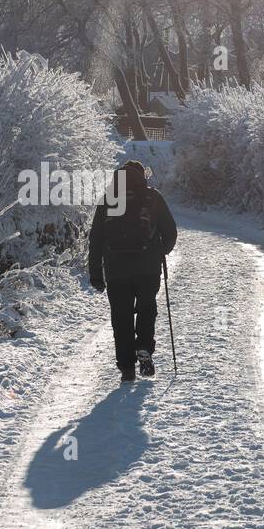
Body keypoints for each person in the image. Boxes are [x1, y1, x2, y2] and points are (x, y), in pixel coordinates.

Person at [87, 160, 178, 382]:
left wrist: (95, 273)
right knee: (147, 309)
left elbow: (96, 238)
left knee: (121, 316)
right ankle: (144, 347)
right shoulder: (152, 197)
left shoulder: (109, 198)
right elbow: (170, 231)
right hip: (147, 267)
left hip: (116, 269)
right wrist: (159, 252)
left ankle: (127, 367)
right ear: (142, 175)